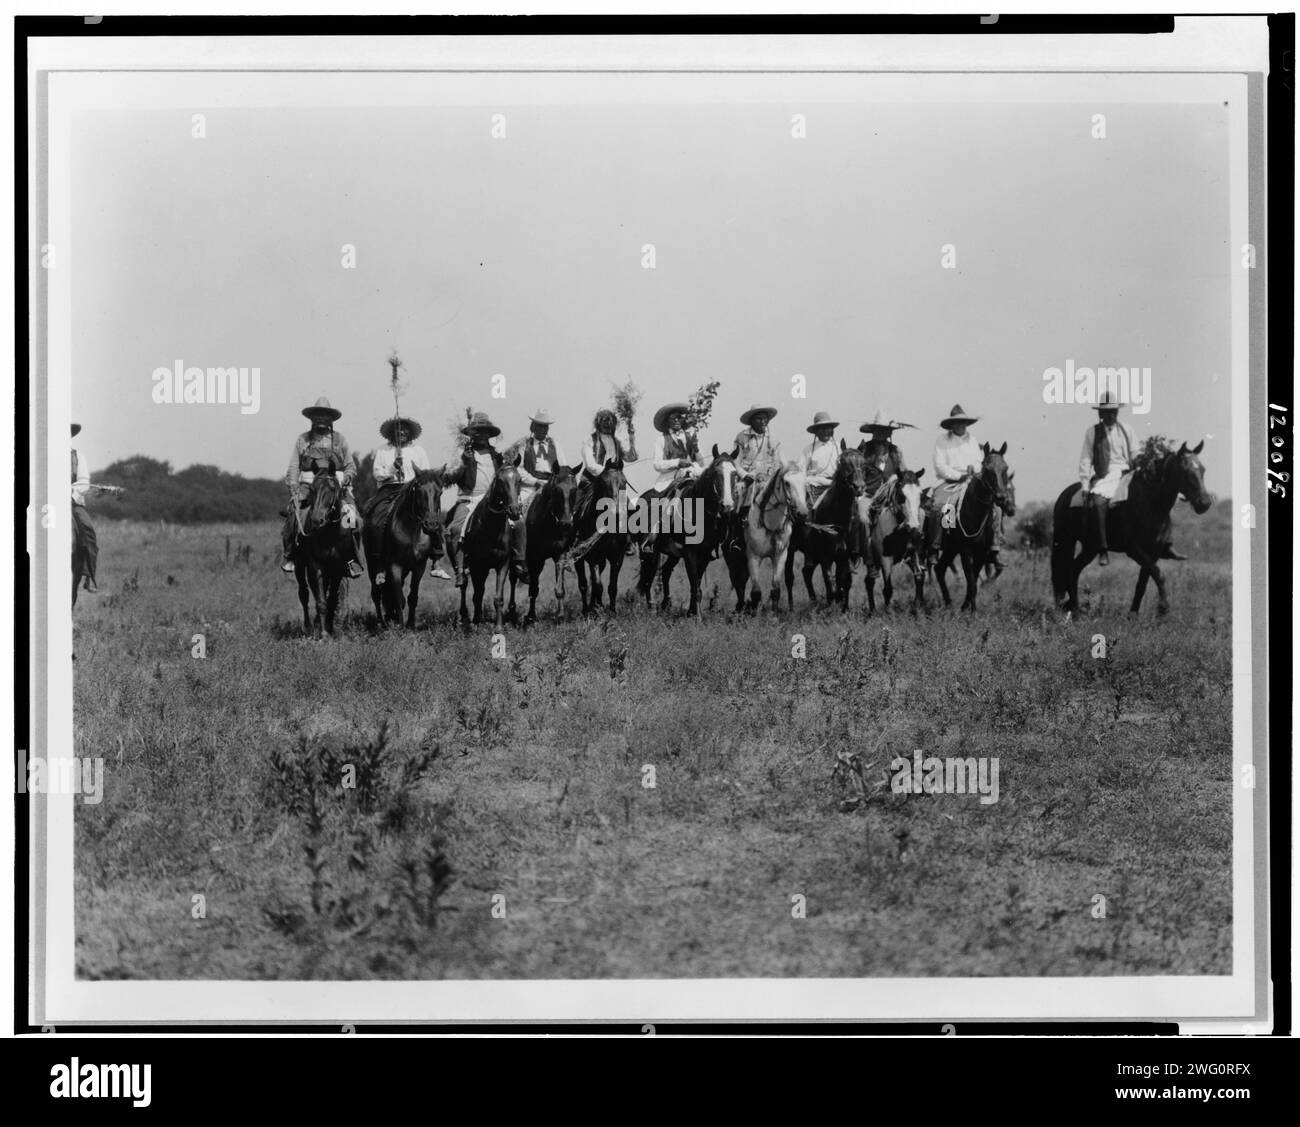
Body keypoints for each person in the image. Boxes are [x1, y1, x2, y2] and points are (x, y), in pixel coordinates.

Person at [282, 397, 364, 579]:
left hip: (335, 485)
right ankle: (290, 555)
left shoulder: (339, 440)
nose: (321, 419)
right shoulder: (302, 440)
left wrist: (346, 478)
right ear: (311, 418)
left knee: (353, 518)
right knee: (295, 515)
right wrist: (293, 486)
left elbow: (350, 465)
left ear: (331, 419)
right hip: (308, 484)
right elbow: (293, 466)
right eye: (317, 416)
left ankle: (351, 559)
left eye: (325, 416)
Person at [367, 415, 449, 583]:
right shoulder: (383, 450)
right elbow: (377, 473)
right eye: (398, 429)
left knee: (432, 514)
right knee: (376, 520)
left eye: (404, 429)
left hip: (413, 491)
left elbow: (426, 475)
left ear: (410, 432)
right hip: (390, 490)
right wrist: (392, 468)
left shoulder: (418, 451)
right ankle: (380, 564)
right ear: (392, 432)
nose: (401, 432)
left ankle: (436, 559)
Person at [443, 411, 505, 588]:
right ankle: (460, 570)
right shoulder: (463, 453)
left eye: (485, 431)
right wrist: (464, 462)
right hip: (469, 499)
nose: (481, 435)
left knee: (516, 525)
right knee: (455, 530)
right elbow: (451, 476)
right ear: (472, 434)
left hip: (491, 500)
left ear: (489, 434)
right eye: (477, 431)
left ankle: (518, 561)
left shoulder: (496, 455)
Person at [508, 409, 569, 580]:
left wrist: (557, 481)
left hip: (551, 485)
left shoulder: (555, 444)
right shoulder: (523, 445)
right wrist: (535, 481)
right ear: (533, 426)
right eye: (540, 426)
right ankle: (520, 555)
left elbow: (563, 466)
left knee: (567, 511)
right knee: (521, 516)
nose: (543, 429)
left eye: (546, 426)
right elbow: (518, 469)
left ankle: (567, 551)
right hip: (531, 486)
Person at [1078, 391, 1136, 566]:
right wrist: (1085, 484)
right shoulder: (1092, 432)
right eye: (1107, 412)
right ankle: (1103, 549)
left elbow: (1135, 452)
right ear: (1100, 413)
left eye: (1114, 411)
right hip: (1105, 476)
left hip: (1126, 473)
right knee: (1099, 502)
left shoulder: (1126, 430)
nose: (1111, 415)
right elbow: (1086, 459)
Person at [640, 401, 705, 555]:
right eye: (673, 418)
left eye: (679, 417)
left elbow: (702, 462)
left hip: (691, 475)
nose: (677, 420)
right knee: (662, 505)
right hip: (670, 479)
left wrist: (695, 448)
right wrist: (677, 462)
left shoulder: (691, 437)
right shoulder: (661, 440)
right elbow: (657, 464)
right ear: (667, 421)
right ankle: (650, 538)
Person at [733, 404, 782, 511]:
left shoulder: (774, 439)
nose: (763, 421)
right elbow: (735, 462)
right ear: (751, 421)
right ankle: (740, 520)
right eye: (759, 418)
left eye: (765, 418)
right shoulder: (742, 437)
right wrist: (745, 475)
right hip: (748, 479)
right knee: (737, 502)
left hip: (768, 479)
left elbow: (777, 462)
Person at [857, 409, 912, 499]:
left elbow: (903, 472)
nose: (881, 433)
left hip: (891, 494)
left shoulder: (896, 451)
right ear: (873, 431)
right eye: (878, 430)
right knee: (862, 511)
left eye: (884, 430)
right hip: (868, 494)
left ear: (889, 432)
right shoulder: (864, 449)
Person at [71, 422, 99, 593]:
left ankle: (88, 574)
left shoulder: (77, 456)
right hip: (46, 500)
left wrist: (69, 493)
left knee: (88, 531)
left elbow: (83, 482)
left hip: (71, 501)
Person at [798, 411, 841, 510]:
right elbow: (801, 471)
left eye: (828, 428)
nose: (826, 431)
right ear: (816, 431)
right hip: (816, 486)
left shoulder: (839, 447)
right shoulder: (808, 449)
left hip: (836, 486)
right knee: (805, 512)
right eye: (822, 428)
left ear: (832, 430)